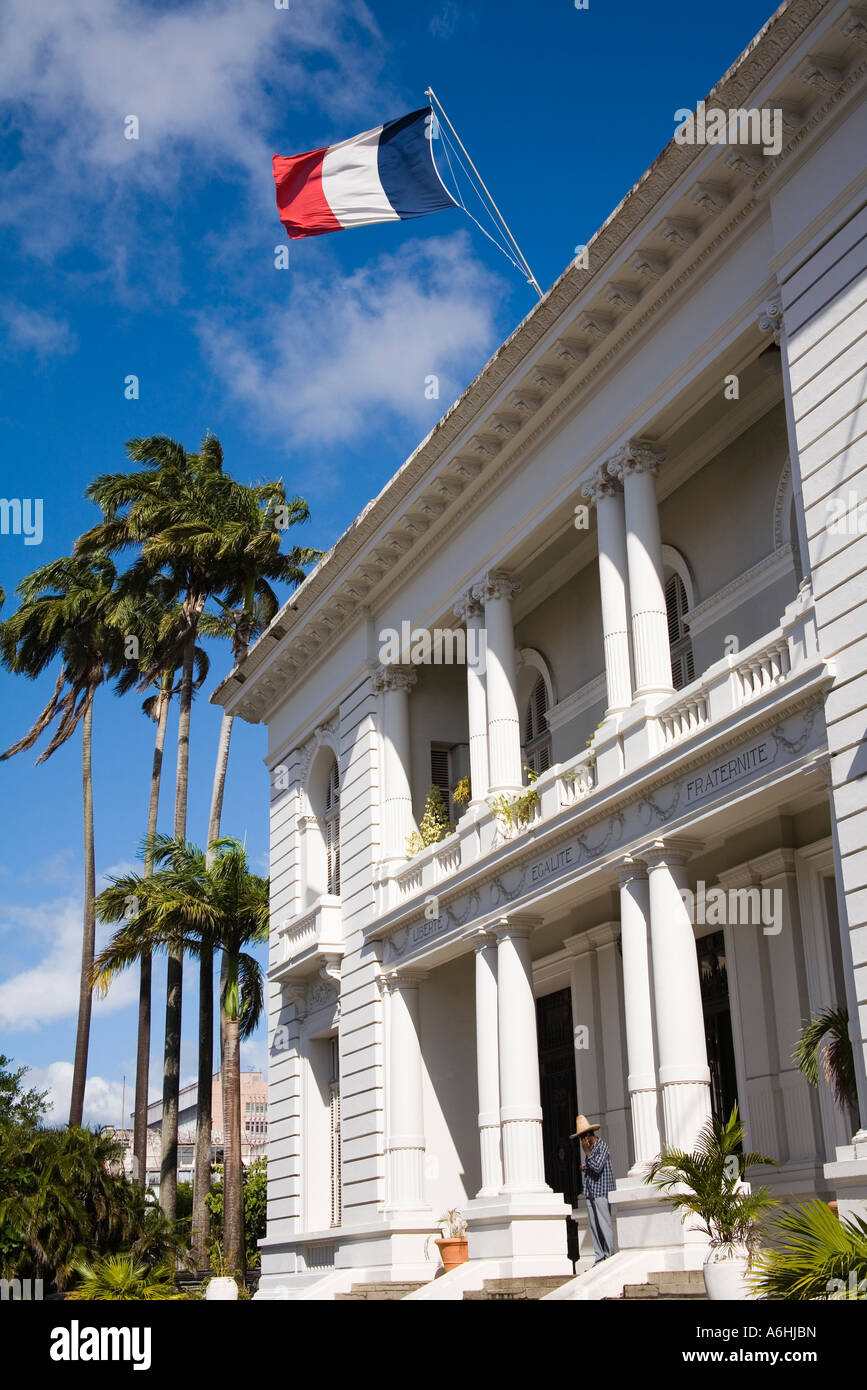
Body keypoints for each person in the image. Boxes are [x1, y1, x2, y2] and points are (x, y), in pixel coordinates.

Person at [572, 1114, 614, 1264]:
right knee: (594, 1225)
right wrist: (585, 1165)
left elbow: (597, 1167)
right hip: (590, 1191)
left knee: (604, 1223)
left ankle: (609, 1254)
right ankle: (600, 1256)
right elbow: (592, 1166)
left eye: (583, 1138)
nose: (582, 1142)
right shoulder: (590, 1150)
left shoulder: (601, 1147)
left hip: (601, 1191)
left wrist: (587, 1154)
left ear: (589, 1136)